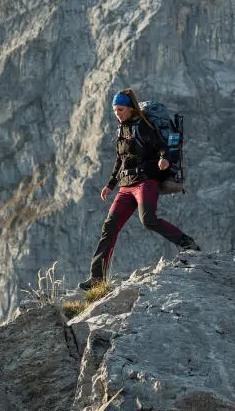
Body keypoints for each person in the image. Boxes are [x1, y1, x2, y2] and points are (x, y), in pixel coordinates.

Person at [79, 88, 199, 290]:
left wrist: (164, 159)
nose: (117, 114)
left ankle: (188, 243)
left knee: (148, 219)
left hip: (145, 181)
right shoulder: (121, 129)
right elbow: (120, 160)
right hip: (126, 186)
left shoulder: (142, 126)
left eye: (121, 109)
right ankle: (97, 278)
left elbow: (162, 146)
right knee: (109, 227)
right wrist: (110, 185)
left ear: (130, 108)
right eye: (115, 110)